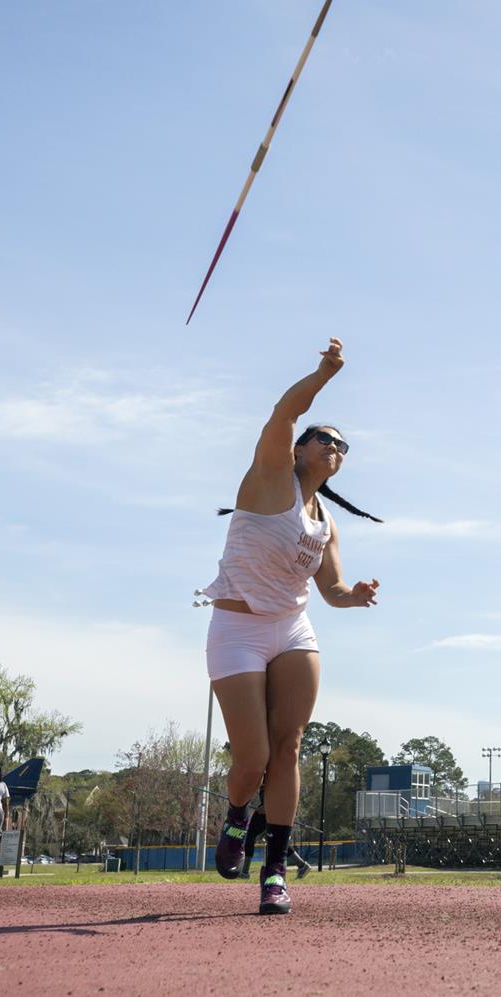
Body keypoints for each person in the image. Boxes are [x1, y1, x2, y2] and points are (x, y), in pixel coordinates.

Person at [203, 338, 381, 916]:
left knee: (290, 747)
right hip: (237, 629)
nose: (336, 447)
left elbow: (329, 592)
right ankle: (236, 819)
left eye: (344, 446)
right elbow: (284, 413)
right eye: (326, 439)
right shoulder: (268, 480)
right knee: (251, 759)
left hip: (293, 630)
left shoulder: (325, 523)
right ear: (300, 450)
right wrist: (324, 374)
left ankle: (274, 869)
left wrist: (352, 597)